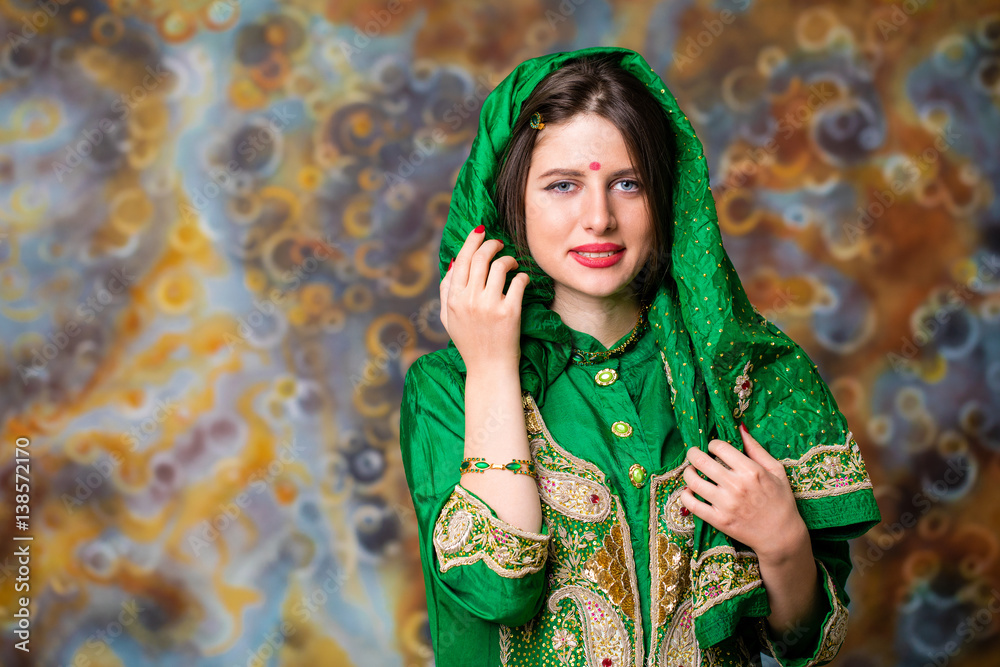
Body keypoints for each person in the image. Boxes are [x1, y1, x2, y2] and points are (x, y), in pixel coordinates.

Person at [399, 46, 881, 667]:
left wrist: (782, 539)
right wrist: (493, 367)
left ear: (667, 197)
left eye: (627, 184)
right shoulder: (448, 388)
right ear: (511, 200)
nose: (598, 218)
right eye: (563, 185)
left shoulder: (739, 376)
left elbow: (801, 646)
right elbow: (498, 588)